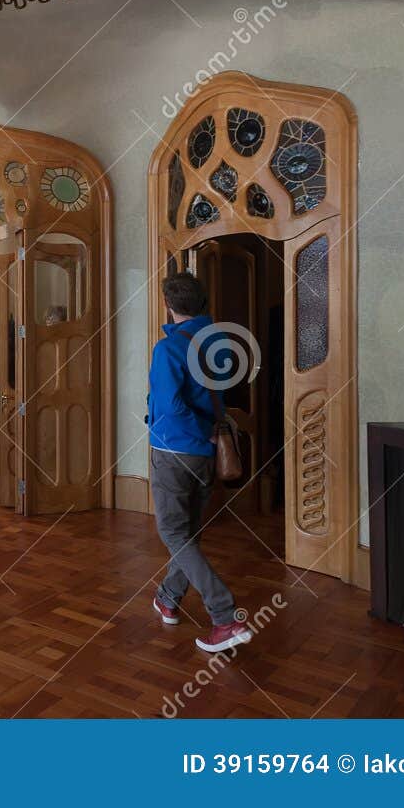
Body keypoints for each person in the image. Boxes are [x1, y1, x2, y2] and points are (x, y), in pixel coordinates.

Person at [147, 272, 254, 654]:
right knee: (189, 533)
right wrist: (209, 432)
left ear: (167, 305)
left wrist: (200, 431)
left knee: (174, 533)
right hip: (208, 455)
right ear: (203, 302)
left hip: (175, 451)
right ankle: (168, 598)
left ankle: (224, 617)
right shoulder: (219, 342)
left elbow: (172, 406)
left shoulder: (168, 348)